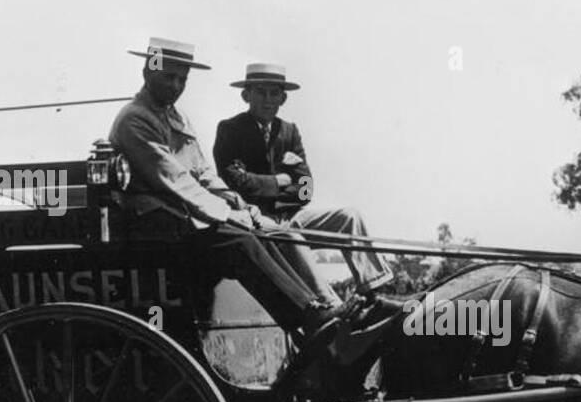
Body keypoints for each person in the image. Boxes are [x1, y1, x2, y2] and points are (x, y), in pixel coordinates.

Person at [108, 38, 370, 376]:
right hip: (161, 230)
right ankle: (310, 317)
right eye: (168, 77)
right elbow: (176, 181)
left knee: (271, 230)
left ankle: (320, 311)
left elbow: (204, 174)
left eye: (182, 79)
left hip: (187, 220)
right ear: (148, 70)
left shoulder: (175, 116)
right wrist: (234, 212)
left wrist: (239, 202)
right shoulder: (135, 120)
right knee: (241, 239)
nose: (175, 86)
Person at [212, 63, 393, 302]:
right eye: (260, 92)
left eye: (274, 93)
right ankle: (330, 306)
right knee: (292, 238)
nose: (268, 100)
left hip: (292, 217)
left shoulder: (289, 131)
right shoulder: (230, 129)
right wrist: (282, 181)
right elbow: (237, 183)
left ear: (283, 98)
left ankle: (374, 293)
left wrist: (269, 186)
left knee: (350, 216)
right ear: (246, 95)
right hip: (256, 220)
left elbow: (305, 189)